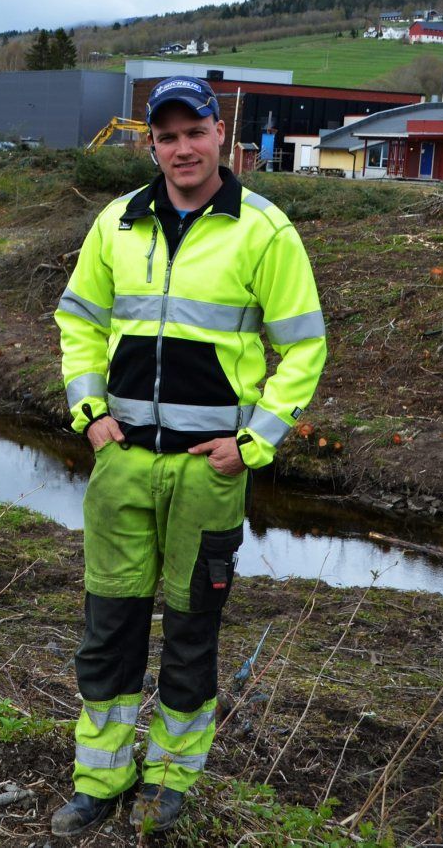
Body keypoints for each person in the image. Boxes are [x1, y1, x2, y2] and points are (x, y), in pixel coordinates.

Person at [51, 76, 327, 836]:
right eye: (165, 137)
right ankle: (99, 779)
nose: (181, 149)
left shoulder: (264, 231)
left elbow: (304, 348)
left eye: (193, 132)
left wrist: (254, 444)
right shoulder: (117, 224)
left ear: (220, 133)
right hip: (123, 464)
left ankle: (170, 779)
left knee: (191, 633)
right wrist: (92, 416)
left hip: (209, 476)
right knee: (109, 627)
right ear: (153, 146)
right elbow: (77, 320)